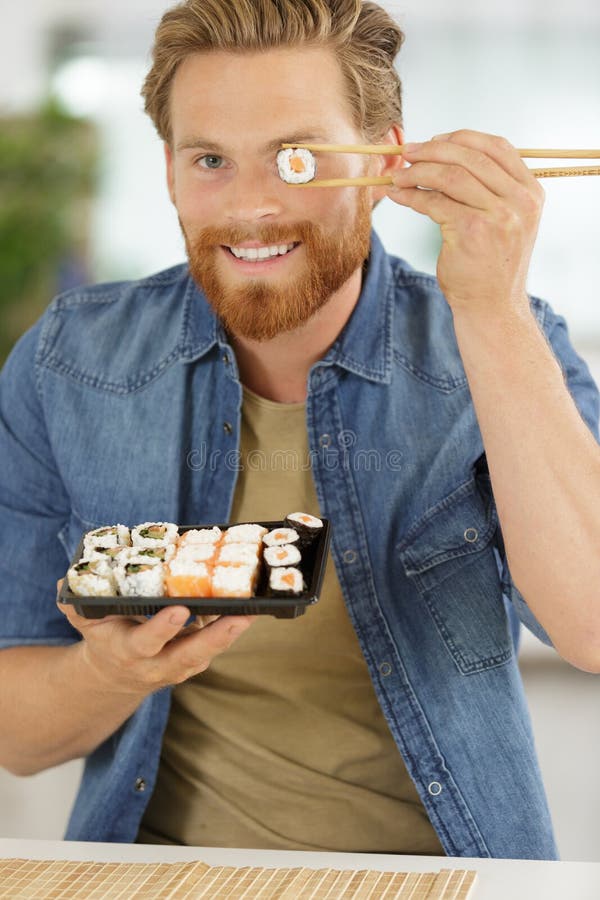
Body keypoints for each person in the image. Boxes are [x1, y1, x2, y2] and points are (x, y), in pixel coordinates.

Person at [0, 0, 599, 860]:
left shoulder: (502, 334)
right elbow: (17, 742)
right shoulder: (68, 361)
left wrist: (490, 305)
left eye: (298, 158)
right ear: (168, 171)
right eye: (210, 159)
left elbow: (594, 628)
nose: (250, 208)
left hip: (442, 876)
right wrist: (110, 671)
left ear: (387, 160)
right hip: (155, 872)